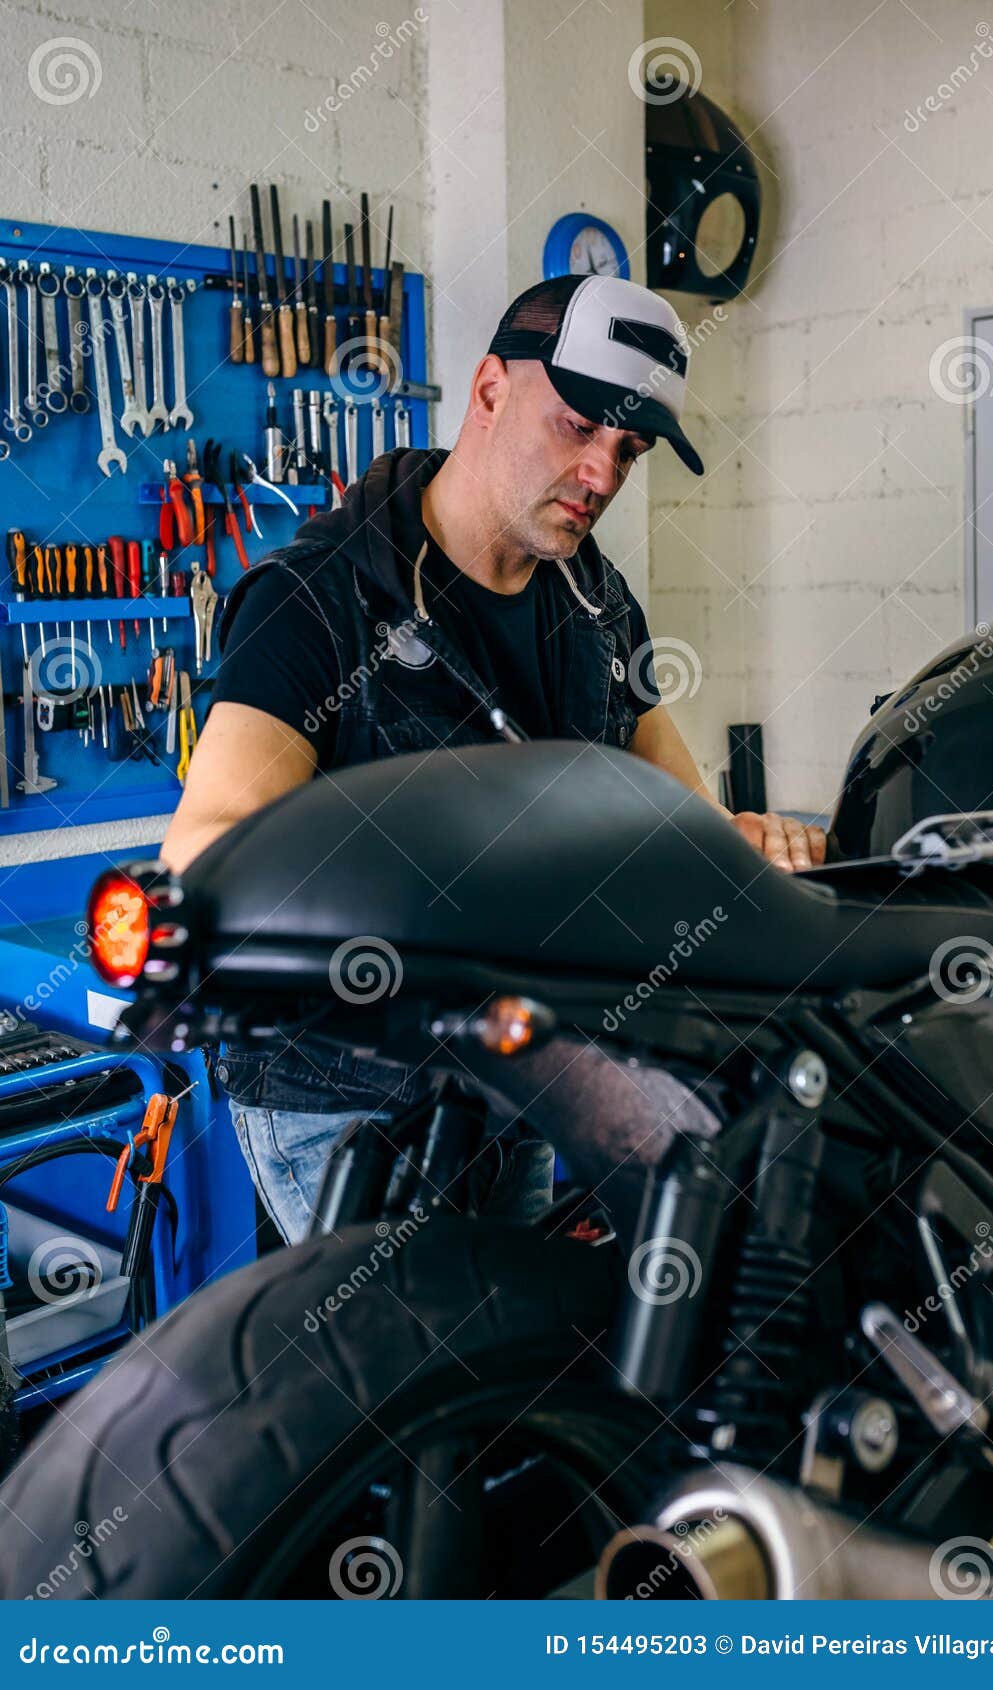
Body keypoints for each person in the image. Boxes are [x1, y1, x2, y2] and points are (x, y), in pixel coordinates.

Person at [161, 273, 826, 1242]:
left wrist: (745, 850)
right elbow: (204, 856)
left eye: (627, 450)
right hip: (351, 1101)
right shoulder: (319, 599)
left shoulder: (593, 598)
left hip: (522, 1065)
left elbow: (677, 813)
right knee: (418, 1375)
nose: (600, 475)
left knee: (551, 1355)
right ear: (486, 392)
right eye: (576, 426)